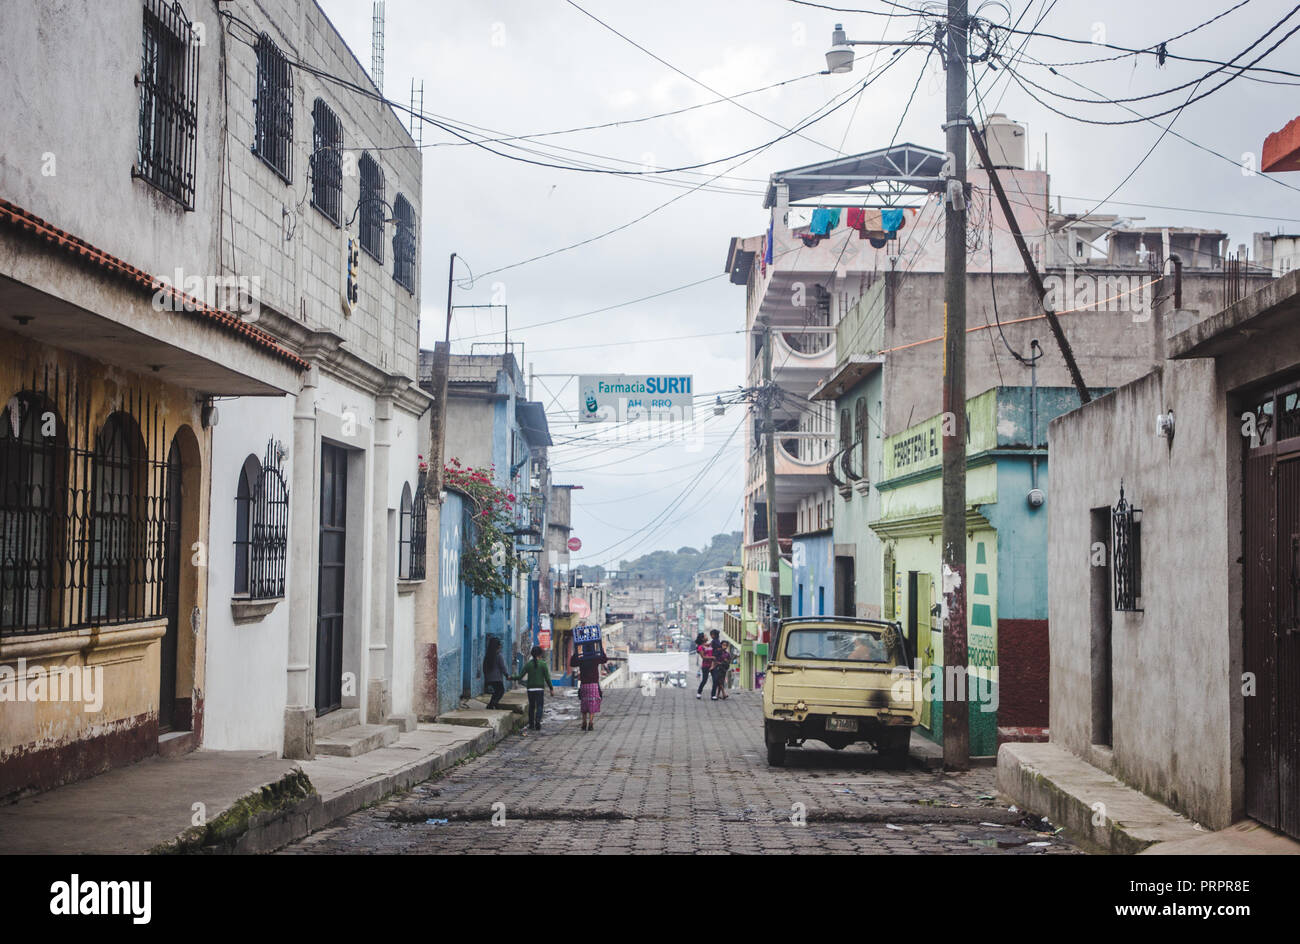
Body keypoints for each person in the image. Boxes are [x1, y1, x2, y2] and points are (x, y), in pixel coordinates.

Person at [512, 646, 553, 730]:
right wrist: (551, 689)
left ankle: (531, 724)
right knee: (540, 706)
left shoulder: (528, 664)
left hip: (530, 689)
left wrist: (511, 677)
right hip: (540, 689)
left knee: (531, 706)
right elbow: (547, 678)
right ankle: (537, 720)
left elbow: (520, 677)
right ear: (540, 654)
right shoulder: (543, 664)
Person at [569, 645, 608, 731]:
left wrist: (576, 652)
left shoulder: (582, 659)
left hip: (584, 684)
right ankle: (590, 721)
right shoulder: (595, 658)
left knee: (584, 703)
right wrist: (601, 649)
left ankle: (584, 722)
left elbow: (572, 663)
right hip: (593, 685)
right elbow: (605, 659)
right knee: (592, 703)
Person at [482, 637, 509, 710]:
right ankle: (494, 703)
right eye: (500, 645)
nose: (500, 646)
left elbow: (484, 667)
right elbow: (502, 667)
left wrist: (486, 677)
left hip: (489, 678)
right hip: (497, 678)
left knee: (496, 691)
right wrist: (506, 675)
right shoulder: (499, 655)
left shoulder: (487, 656)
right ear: (498, 646)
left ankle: (491, 705)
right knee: (501, 691)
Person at [710, 630, 730, 701]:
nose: (724, 646)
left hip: (723, 669)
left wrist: (723, 662)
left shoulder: (727, 654)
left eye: (726, 645)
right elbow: (716, 658)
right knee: (719, 681)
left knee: (720, 682)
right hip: (718, 668)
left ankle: (718, 694)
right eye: (723, 645)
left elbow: (727, 662)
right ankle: (723, 694)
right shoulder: (719, 652)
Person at [694, 632, 714, 699]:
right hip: (706, 666)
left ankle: (714, 695)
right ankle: (699, 693)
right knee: (704, 680)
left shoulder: (709, 644)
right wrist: (712, 657)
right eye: (705, 636)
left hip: (713, 665)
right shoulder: (700, 647)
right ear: (702, 638)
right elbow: (703, 657)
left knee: (716, 679)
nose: (707, 636)